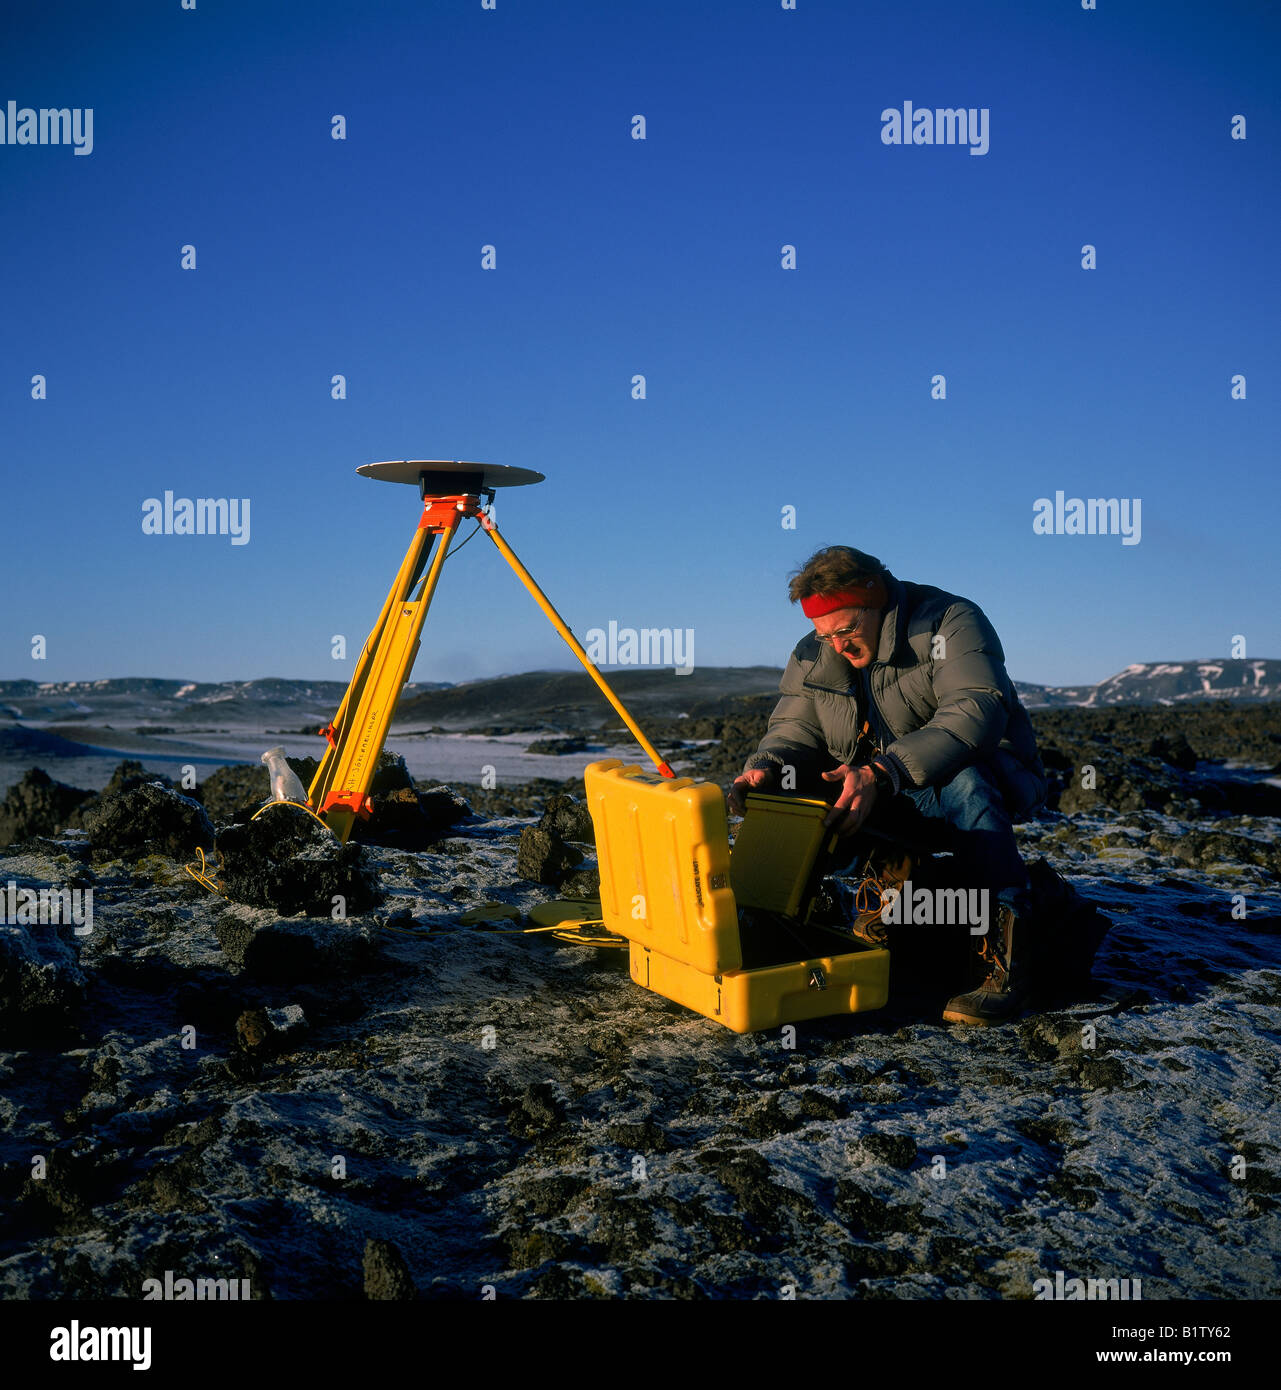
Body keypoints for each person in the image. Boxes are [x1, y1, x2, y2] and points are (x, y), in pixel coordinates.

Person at [728, 545, 1047, 1026]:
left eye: (847, 630)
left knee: (967, 781)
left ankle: (1002, 958)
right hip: (877, 786)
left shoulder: (951, 622)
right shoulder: (816, 652)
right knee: (783, 791)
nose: (838, 646)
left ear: (876, 600)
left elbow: (975, 709)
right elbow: (795, 727)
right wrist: (768, 765)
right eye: (825, 634)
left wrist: (883, 772)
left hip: (970, 779)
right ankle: (770, 928)